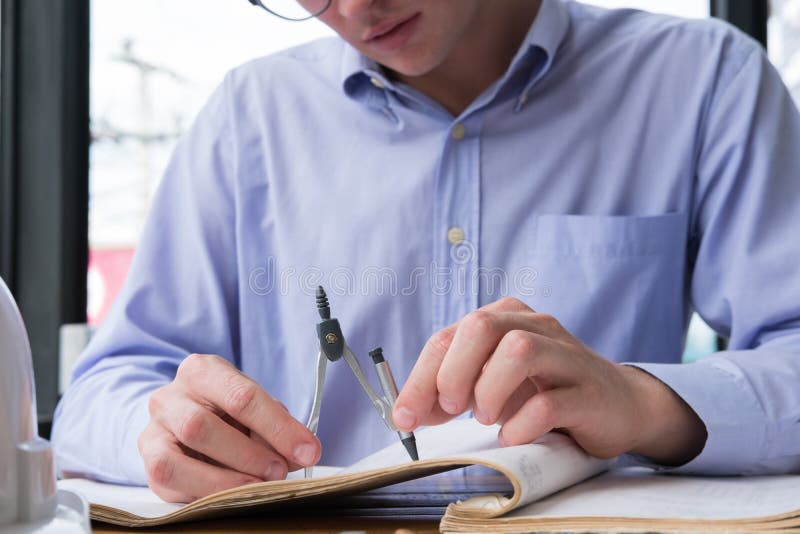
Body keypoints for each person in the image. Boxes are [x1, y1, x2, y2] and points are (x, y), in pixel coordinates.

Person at [53, 0, 800, 503]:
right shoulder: (249, 119)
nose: (354, 8)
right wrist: (165, 433)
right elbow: (102, 392)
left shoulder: (703, 81)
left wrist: (643, 403)